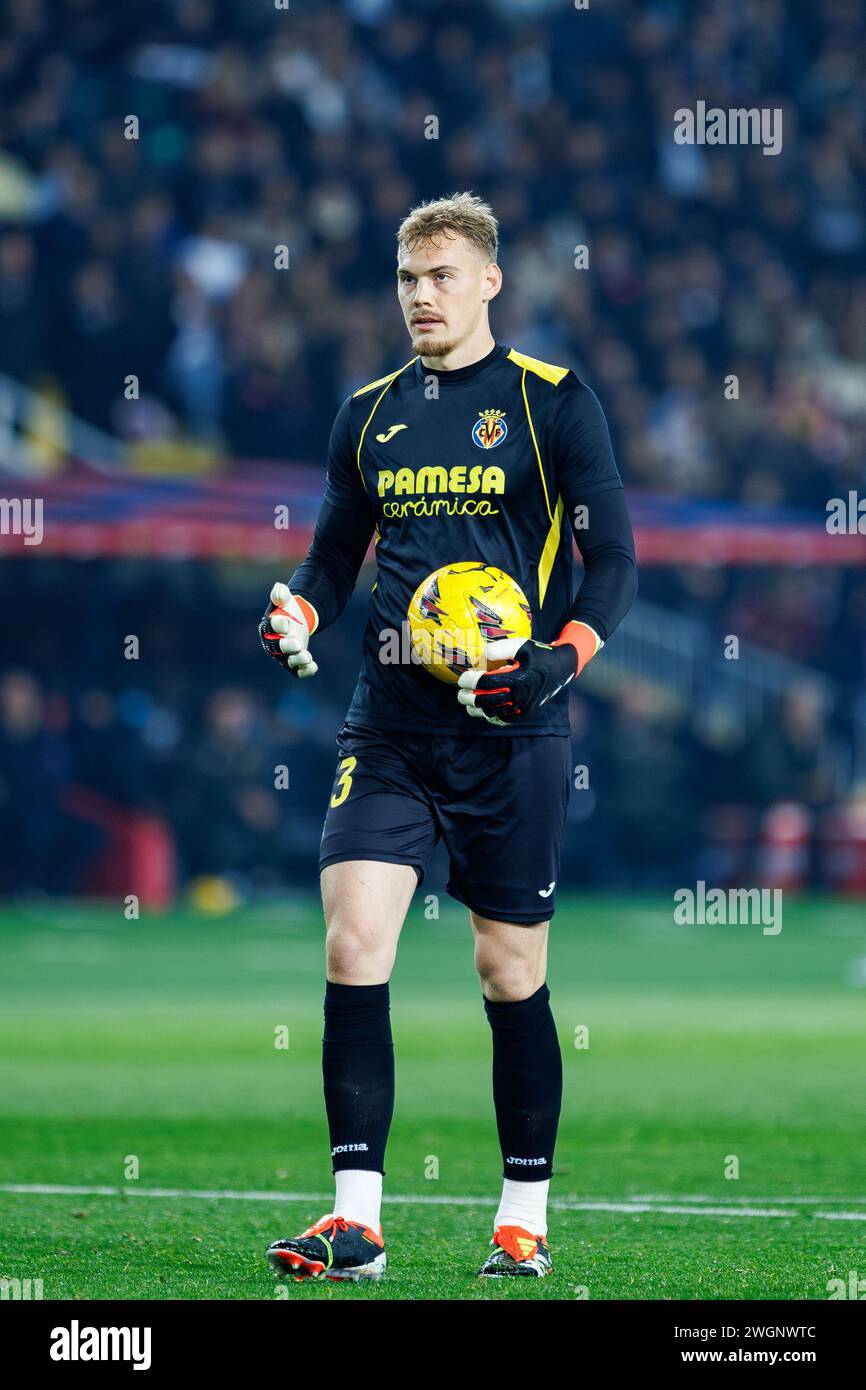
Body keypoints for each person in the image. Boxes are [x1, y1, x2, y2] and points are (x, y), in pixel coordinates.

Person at [259, 192, 637, 1281]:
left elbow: (612, 560)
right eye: (406, 279)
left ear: (487, 283)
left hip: (516, 732)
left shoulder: (550, 403)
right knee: (350, 941)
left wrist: (561, 656)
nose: (420, 296)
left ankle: (521, 1213)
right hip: (390, 725)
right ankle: (356, 1217)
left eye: (439, 276)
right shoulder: (366, 413)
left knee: (506, 972)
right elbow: (332, 553)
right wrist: (299, 608)